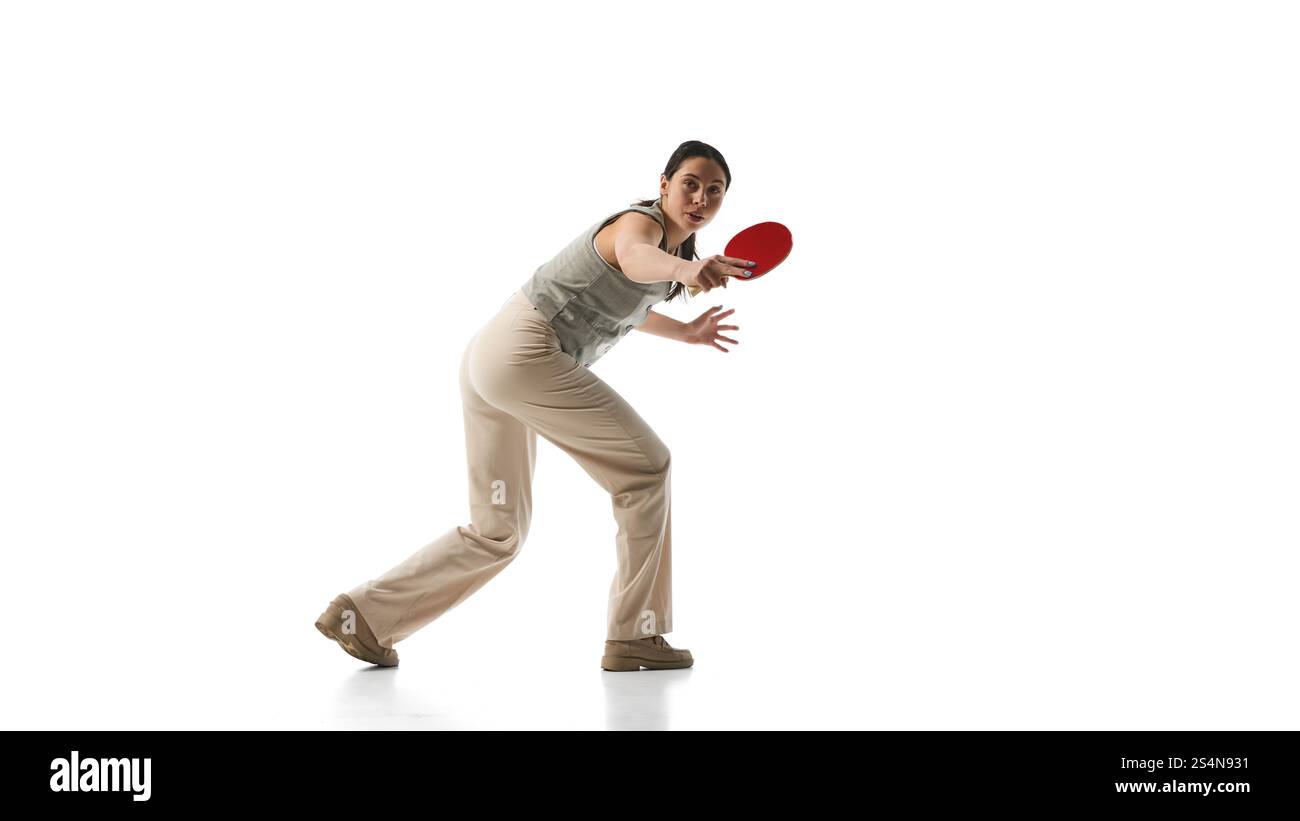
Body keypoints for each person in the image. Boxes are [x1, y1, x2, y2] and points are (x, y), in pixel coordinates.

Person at [314, 140, 755, 671]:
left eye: (715, 191)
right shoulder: (642, 227)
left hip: (492, 359)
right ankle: (635, 634)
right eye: (690, 183)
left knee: (496, 531)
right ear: (663, 185)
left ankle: (362, 616)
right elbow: (636, 259)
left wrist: (685, 331)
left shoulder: (671, 253)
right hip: (525, 353)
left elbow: (627, 301)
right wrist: (686, 272)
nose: (701, 197)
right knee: (647, 468)